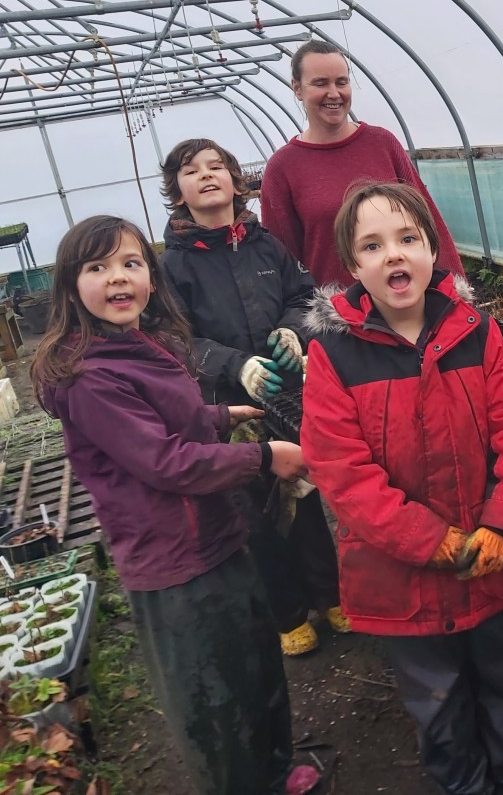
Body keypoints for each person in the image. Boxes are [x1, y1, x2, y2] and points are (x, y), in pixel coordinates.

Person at [31, 215, 318, 795]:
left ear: (151, 278)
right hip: (173, 563)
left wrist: (219, 416)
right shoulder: (87, 376)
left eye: (131, 264)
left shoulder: (140, 345)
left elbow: (167, 419)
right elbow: (164, 462)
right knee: (213, 697)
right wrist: (263, 457)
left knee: (256, 662)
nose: (118, 278)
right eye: (97, 267)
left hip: (217, 535)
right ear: (69, 286)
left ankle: (274, 768)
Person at [300, 182, 503, 795]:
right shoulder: (333, 355)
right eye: (373, 245)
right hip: (402, 580)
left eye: (408, 239)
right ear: (353, 267)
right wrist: (430, 541)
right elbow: (342, 472)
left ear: (434, 252)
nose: (394, 255)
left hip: (493, 562)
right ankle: (464, 785)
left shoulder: (477, 334)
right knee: (437, 705)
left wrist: (502, 523)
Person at [158, 137, 348, 656]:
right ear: (177, 191)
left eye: (217, 166)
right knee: (256, 506)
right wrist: (235, 365)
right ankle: (287, 614)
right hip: (227, 402)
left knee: (305, 492)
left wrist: (294, 332)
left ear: (236, 181)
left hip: (286, 392)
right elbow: (177, 336)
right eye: (191, 170)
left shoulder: (266, 245)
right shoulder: (173, 266)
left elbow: (302, 296)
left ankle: (331, 595)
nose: (207, 175)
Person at [259, 39, 465, 287]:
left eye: (341, 82)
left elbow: (427, 221)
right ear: (297, 88)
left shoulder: (382, 143)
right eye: (320, 83)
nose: (334, 93)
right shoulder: (283, 167)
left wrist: (454, 289)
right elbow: (282, 257)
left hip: (407, 299)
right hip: (338, 314)